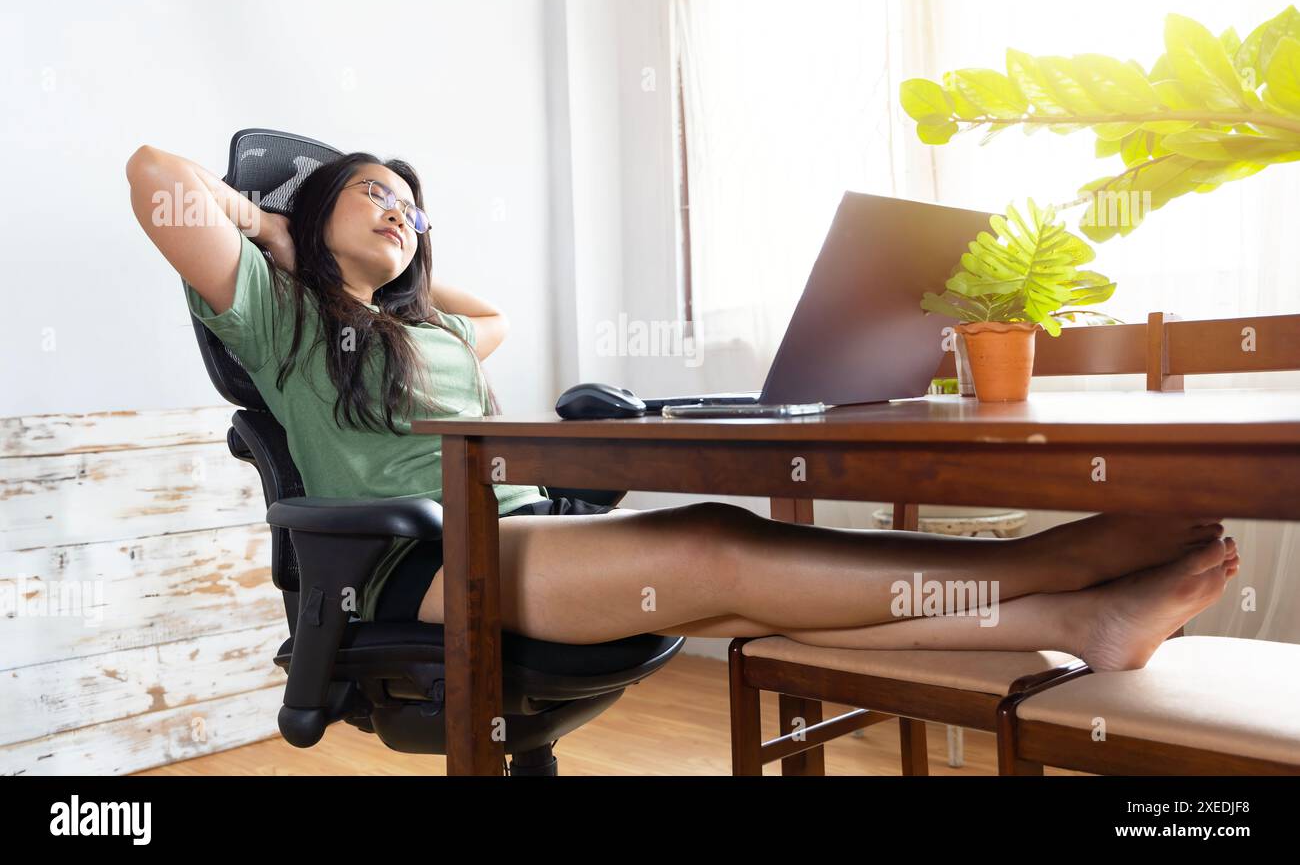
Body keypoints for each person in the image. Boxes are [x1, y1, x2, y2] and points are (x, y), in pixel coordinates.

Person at [126, 144, 1240, 674]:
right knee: (713, 541)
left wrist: (397, 259)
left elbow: (489, 311)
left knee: (743, 579)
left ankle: (1072, 619)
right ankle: (1058, 560)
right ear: (311, 211)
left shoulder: (434, 333)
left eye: (417, 207)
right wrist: (273, 225)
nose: (403, 215)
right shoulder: (276, 315)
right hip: (411, 562)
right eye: (374, 192)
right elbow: (151, 173)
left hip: (508, 530)